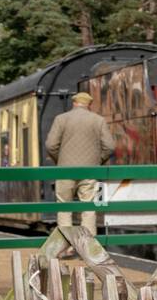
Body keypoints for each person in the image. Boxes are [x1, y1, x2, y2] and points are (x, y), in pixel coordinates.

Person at [45, 92, 115, 234]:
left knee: (64, 207)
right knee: (89, 208)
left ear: (74, 103)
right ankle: (88, 246)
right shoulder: (98, 120)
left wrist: (60, 160)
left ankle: (65, 242)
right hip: (90, 171)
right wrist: (98, 161)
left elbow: (51, 145)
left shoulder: (61, 119)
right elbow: (110, 146)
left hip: (64, 171)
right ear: (89, 105)